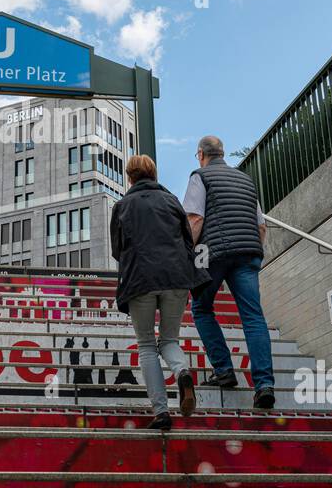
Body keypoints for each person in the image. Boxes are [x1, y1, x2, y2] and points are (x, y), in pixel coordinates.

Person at [110, 154, 208, 430]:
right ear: (153, 174)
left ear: (129, 177)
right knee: (168, 340)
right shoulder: (171, 201)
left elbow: (117, 250)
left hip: (140, 280)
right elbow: (189, 240)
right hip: (176, 277)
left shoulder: (122, 206)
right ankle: (183, 372)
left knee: (146, 344)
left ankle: (161, 412)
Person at [183, 135, 276, 409]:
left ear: (201, 154)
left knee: (201, 308)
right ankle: (264, 385)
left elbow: (195, 218)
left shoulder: (199, 176)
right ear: (222, 153)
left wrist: (187, 253)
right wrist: (254, 254)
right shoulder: (246, 180)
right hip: (248, 253)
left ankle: (224, 370)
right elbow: (261, 225)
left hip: (215, 253)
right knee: (253, 317)